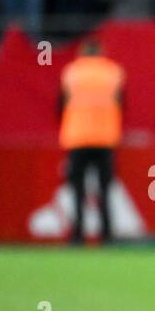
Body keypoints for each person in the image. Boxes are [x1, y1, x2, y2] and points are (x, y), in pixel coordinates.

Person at [59, 39, 124, 244]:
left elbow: (60, 105)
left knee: (77, 188)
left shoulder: (71, 72)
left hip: (77, 137)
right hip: (105, 138)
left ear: (82, 52)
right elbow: (122, 104)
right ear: (101, 52)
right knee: (104, 188)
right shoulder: (113, 72)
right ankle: (107, 234)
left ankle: (77, 234)